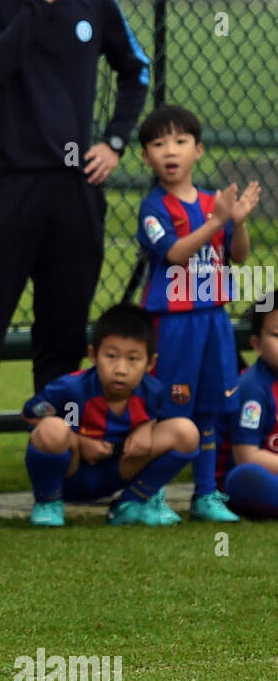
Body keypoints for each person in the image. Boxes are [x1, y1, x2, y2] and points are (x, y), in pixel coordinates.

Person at [0, 0, 150, 504]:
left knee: (63, 332)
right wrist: (36, 0)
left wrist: (115, 142)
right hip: (4, 186)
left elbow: (135, 71)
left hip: (75, 193)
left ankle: (57, 455)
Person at [134, 103, 260, 522]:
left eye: (180, 141)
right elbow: (172, 254)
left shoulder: (214, 201)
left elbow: (236, 259)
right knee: (172, 406)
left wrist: (237, 222)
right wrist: (214, 223)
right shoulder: (153, 207)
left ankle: (206, 494)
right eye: (158, 143)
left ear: (198, 151)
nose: (170, 150)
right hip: (173, 325)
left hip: (213, 321)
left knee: (209, 408)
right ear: (146, 156)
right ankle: (152, 494)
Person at [22, 303, 199, 526]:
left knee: (186, 432)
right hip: (71, 472)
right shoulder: (72, 390)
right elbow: (30, 413)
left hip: (118, 471)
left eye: (133, 359)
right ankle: (48, 502)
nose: (121, 369)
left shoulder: (153, 392)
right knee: (53, 429)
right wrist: (79, 440)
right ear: (93, 355)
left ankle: (132, 503)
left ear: (150, 363)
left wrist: (147, 428)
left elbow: (166, 421)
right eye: (111, 356)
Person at [217, 301, 278, 517]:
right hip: (244, 478)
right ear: (257, 344)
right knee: (245, 476)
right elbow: (246, 456)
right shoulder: (253, 387)